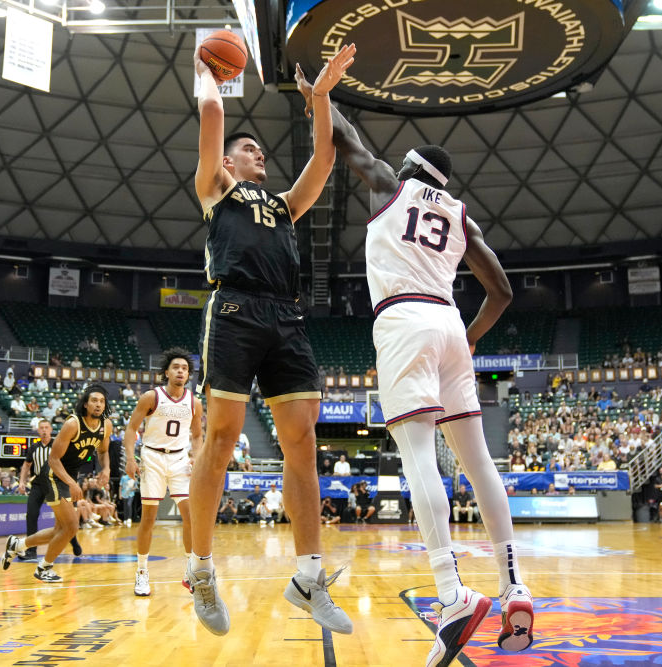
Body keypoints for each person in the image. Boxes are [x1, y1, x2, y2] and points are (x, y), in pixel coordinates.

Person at [296, 72, 533, 665]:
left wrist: (317, 97)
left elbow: (345, 139)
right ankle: (513, 585)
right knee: (479, 464)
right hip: (451, 323)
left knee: (419, 459)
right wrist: (470, 340)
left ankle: (452, 595)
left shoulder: (386, 186)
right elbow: (501, 290)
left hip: (404, 322)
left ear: (407, 172)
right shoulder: (460, 217)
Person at [186, 41, 356, 637]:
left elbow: (326, 158)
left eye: (260, 149)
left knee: (303, 440)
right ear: (228, 164)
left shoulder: (283, 207)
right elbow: (212, 116)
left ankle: (308, 577)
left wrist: (321, 97)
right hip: (233, 308)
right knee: (224, 438)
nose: (258, 151)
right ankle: (200, 567)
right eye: (248, 149)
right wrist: (206, 73)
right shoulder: (217, 190)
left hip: (285, 316)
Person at [2, 386, 112, 582]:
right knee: (70, 528)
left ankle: (17, 545)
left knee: (59, 531)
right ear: (86, 404)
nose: (98, 404)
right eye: (94, 400)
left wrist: (106, 469)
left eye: (102, 401)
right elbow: (53, 459)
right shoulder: (73, 424)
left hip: (69, 476)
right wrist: (72, 483)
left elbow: (103, 451)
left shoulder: (106, 425)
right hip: (53, 474)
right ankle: (44, 568)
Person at [123, 348, 203, 597]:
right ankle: (142, 572)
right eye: (176, 367)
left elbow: (198, 435)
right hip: (152, 457)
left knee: (190, 517)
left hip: (179, 459)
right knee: (148, 518)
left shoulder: (194, 402)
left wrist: (196, 458)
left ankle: (190, 572)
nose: (181, 371)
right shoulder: (151, 397)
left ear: (188, 374)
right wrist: (129, 458)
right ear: (166, 372)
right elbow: (131, 429)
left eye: (185, 368)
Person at [18, 420, 83, 561]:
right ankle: (31, 551)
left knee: (64, 520)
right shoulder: (34, 448)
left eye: (47, 427)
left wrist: (71, 483)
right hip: (38, 484)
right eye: (41, 428)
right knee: (31, 514)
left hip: (56, 483)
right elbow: (26, 465)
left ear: (51, 429)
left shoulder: (58, 445)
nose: (44, 430)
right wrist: (22, 481)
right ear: (38, 431)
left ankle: (74, 541)